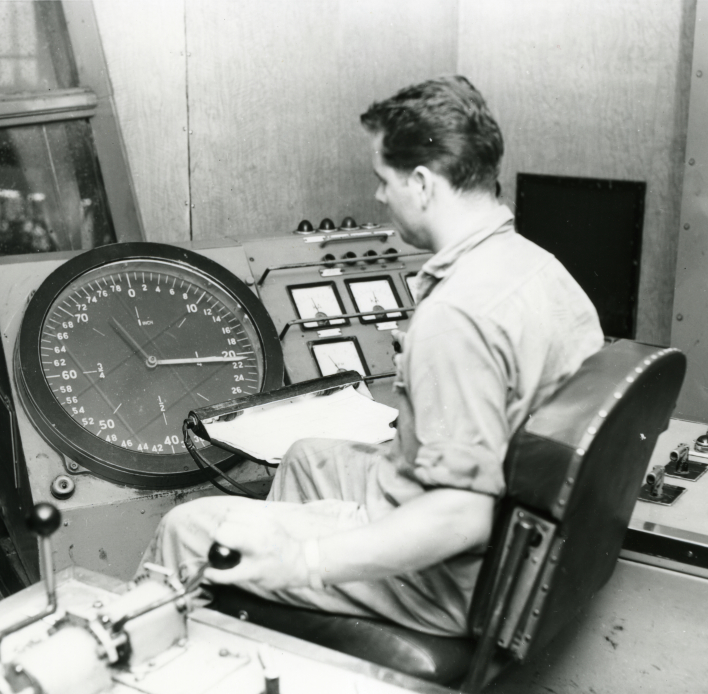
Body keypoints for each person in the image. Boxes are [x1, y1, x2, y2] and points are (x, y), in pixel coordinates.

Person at [139, 75, 604, 637]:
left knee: (189, 529)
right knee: (307, 455)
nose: (380, 197)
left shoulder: (456, 317)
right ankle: (280, 632)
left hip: (451, 578)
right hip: (527, 540)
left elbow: (461, 517)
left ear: (423, 183)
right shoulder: (539, 266)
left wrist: (304, 560)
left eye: (384, 180)